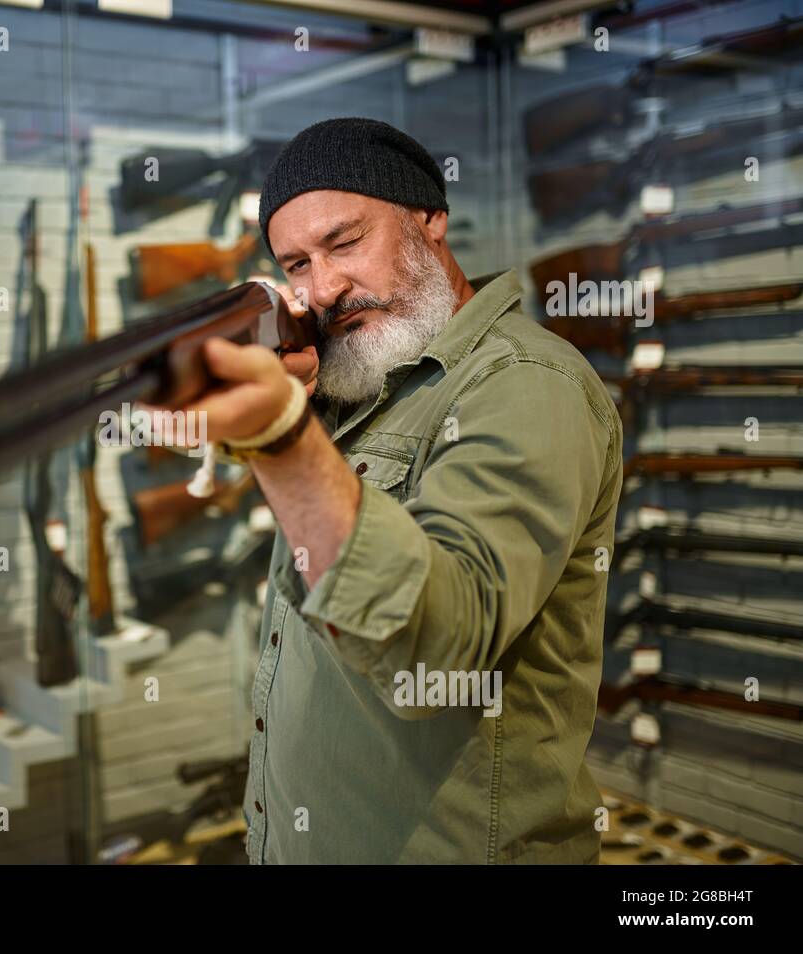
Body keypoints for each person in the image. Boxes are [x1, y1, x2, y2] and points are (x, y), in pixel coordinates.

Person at [164, 117, 623, 863]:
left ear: (429, 219)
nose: (325, 287)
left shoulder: (527, 385)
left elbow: (432, 657)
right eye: (297, 263)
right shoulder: (365, 381)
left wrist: (281, 438)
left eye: (346, 243)